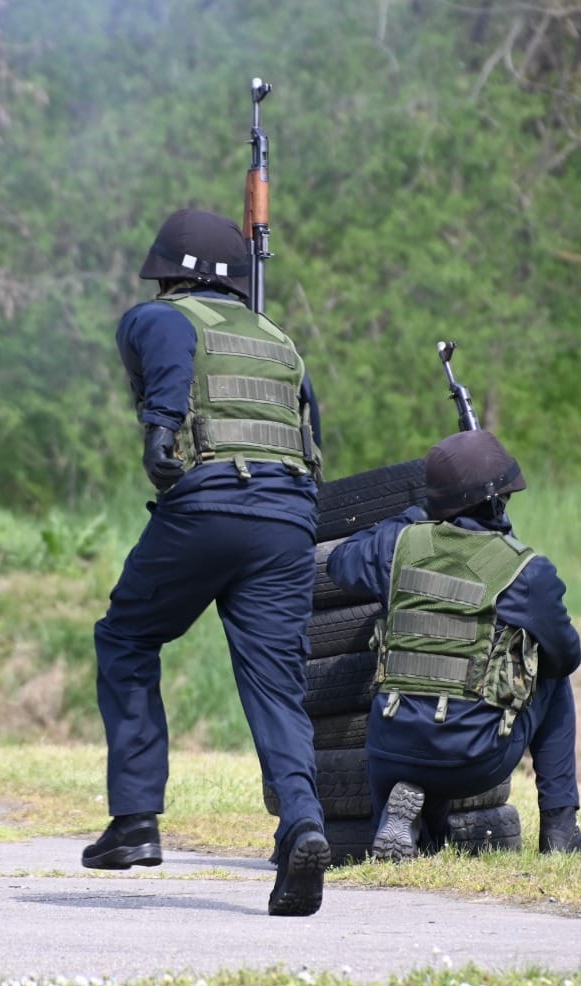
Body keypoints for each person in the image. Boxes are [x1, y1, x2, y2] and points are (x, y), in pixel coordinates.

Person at [85, 207, 331, 917]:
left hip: (212, 502)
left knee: (126, 637)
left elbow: (163, 364)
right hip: (288, 519)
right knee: (276, 684)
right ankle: (302, 826)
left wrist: (160, 432)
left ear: (170, 273)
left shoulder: (160, 317)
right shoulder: (282, 342)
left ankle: (134, 821)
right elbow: (311, 436)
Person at [325, 430, 581, 859]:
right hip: (471, 760)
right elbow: (568, 656)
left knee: (427, 818)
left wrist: (411, 519)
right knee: (553, 678)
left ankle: (410, 821)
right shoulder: (525, 571)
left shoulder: (399, 546)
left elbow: (341, 562)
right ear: (496, 501)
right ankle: (562, 830)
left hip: (389, 751)